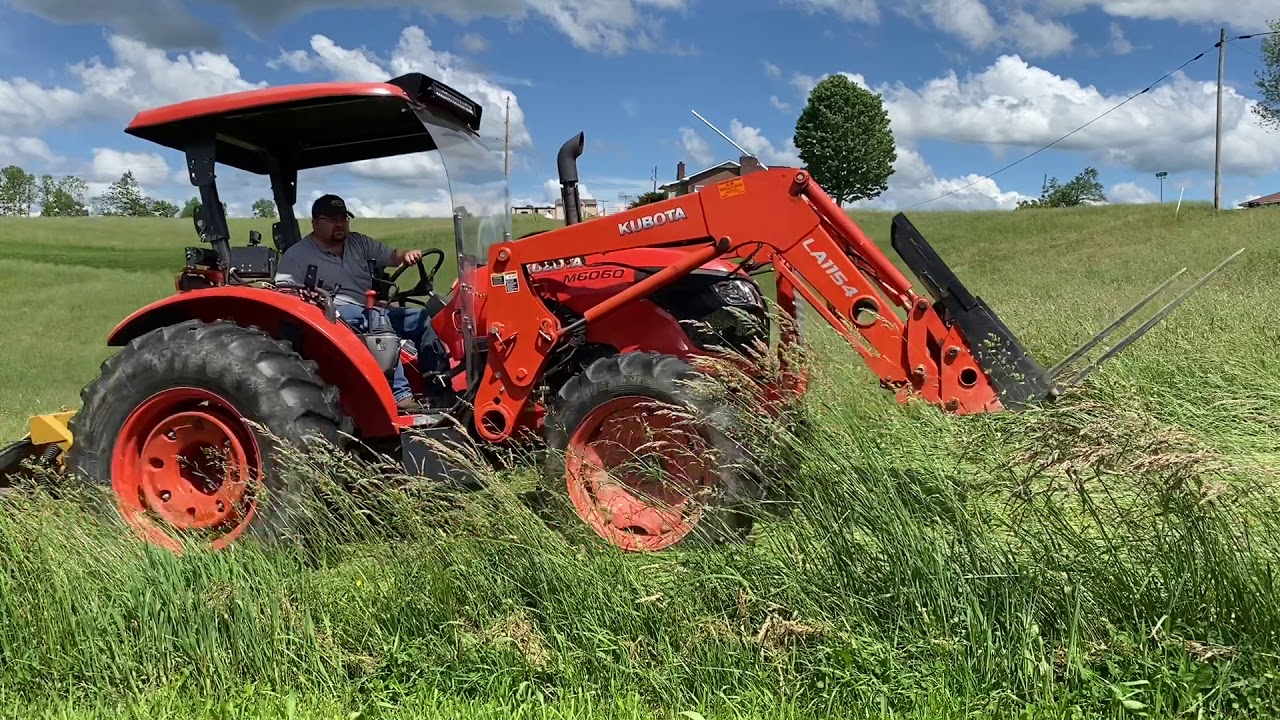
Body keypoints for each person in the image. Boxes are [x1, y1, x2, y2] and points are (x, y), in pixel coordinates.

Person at [275, 194, 448, 413]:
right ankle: (401, 397)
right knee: (377, 319)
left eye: (343, 218)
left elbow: (393, 256)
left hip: (368, 310)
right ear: (316, 222)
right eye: (332, 219)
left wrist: (407, 256)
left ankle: (439, 389)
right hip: (330, 317)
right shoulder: (298, 255)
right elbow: (285, 294)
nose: (340, 224)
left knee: (419, 319)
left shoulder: (359, 242)